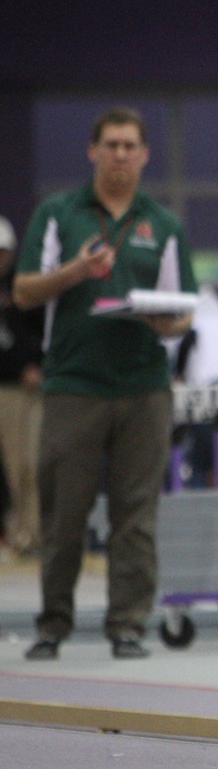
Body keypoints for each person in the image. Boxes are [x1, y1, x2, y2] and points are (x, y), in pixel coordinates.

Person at [14, 107, 198, 660]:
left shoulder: (163, 225)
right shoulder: (58, 213)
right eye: (111, 144)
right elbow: (23, 290)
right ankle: (52, 625)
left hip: (144, 387)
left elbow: (184, 307)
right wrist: (75, 271)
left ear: (144, 156)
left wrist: (170, 322)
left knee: (135, 515)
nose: (120, 154)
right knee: (64, 513)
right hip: (74, 385)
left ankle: (127, 625)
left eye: (129, 146)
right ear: (92, 151)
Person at [0, 215, 46, 557]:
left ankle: (34, 535)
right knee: (12, 466)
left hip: (27, 389)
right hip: (4, 388)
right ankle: (18, 532)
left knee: (31, 462)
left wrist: (38, 367)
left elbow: (44, 331)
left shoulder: (25, 288)